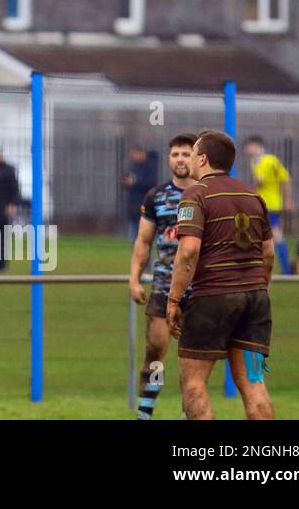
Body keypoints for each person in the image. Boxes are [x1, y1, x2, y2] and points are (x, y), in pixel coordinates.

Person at [167, 130, 274, 420]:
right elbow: (268, 254)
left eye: (191, 153)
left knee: (193, 384)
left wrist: (174, 299)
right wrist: (258, 289)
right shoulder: (253, 196)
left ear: (202, 158)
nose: (187, 158)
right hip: (255, 299)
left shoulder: (196, 194)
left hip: (212, 298)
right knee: (254, 385)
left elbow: (188, 251)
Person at [127, 133, 195, 419]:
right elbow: (143, 241)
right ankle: (145, 414)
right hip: (163, 286)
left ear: (198, 157)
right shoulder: (156, 196)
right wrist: (133, 278)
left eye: (186, 154)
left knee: (191, 362)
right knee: (155, 352)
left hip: (199, 291)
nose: (180, 159)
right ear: (169, 159)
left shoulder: (209, 195)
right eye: (175, 154)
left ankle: (186, 414)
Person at [244, 136, 293, 277]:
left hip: (265, 204)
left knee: (269, 235)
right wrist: (288, 199)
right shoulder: (272, 159)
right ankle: (284, 268)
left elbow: (260, 181)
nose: (247, 150)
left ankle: (285, 269)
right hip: (274, 203)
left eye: (249, 146)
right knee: (269, 235)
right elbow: (286, 178)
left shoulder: (260, 161)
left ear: (255, 146)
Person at [121, 144, 160, 240]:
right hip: (133, 207)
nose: (133, 156)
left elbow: (151, 183)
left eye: (135, 153)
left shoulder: (150, 167)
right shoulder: (134, 166)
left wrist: (135, 182)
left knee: (146, 236)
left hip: (145, 206)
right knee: (134, 236)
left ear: (142, 153)